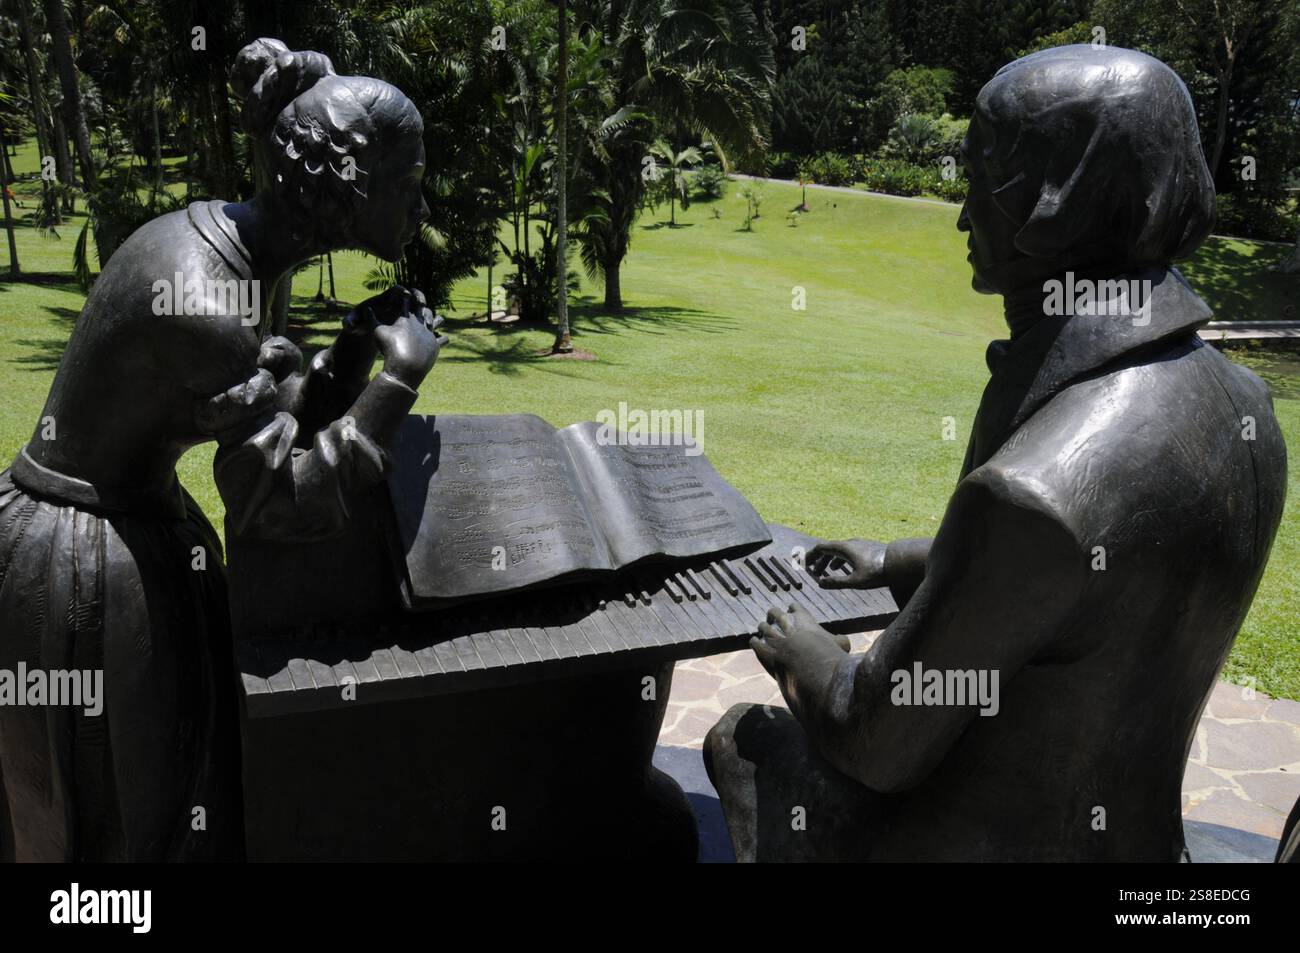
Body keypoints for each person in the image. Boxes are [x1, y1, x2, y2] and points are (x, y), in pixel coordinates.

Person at [704, 45, 1287, 862]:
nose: (962, 213)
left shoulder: (1033, 490)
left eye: (983, 177)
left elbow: (877, 740)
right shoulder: (1243, 407)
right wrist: (898, 560)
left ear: (1059, 200)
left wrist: (817, 663)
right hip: (1139, 852)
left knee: (744, 738)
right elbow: (1082, 593)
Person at [0, 39, 445, 861]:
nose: (422, 210)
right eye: (409, 185)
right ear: (348, 194)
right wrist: (397, 383)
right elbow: (279, 501)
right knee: (123, 813)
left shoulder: (243, 249)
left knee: (180, 785)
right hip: (82, 563)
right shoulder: (206, 300)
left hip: (140, 524)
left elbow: (271, 414)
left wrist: (348, 356)